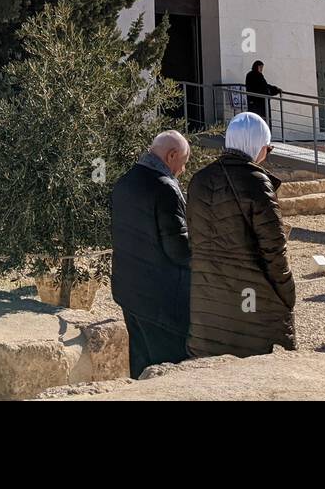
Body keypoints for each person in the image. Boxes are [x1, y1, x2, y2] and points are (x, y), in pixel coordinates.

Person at [186, 112, 295, 358]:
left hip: (207, 295)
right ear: (257, 145)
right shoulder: (256, 182)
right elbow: (274, 248)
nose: (267, 153)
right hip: (251, 294)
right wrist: (287, 293)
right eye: (268, 147)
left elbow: (193, 237)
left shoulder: (199, 180)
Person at [109, 130, 192, 377]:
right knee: (169, 372)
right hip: (162, 299)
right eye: (184, 163)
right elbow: (178, 250)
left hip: (129, 291)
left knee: (140, 367)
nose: (183, 170)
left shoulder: (124, 182)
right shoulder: (165, 188)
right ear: (172, 155)